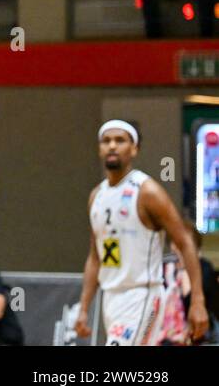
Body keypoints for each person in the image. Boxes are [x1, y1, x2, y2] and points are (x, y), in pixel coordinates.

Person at [75, 121, 209, 345]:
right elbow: (95, 257)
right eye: (106, 141)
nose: (112, 146)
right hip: (111, 297)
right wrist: (84, 307)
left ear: (134, 149)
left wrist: (197, 299)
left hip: (143, 293)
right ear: (99, 148)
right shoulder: (96, 196)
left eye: (120, 140)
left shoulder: (147, 191)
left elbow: (185, 242)